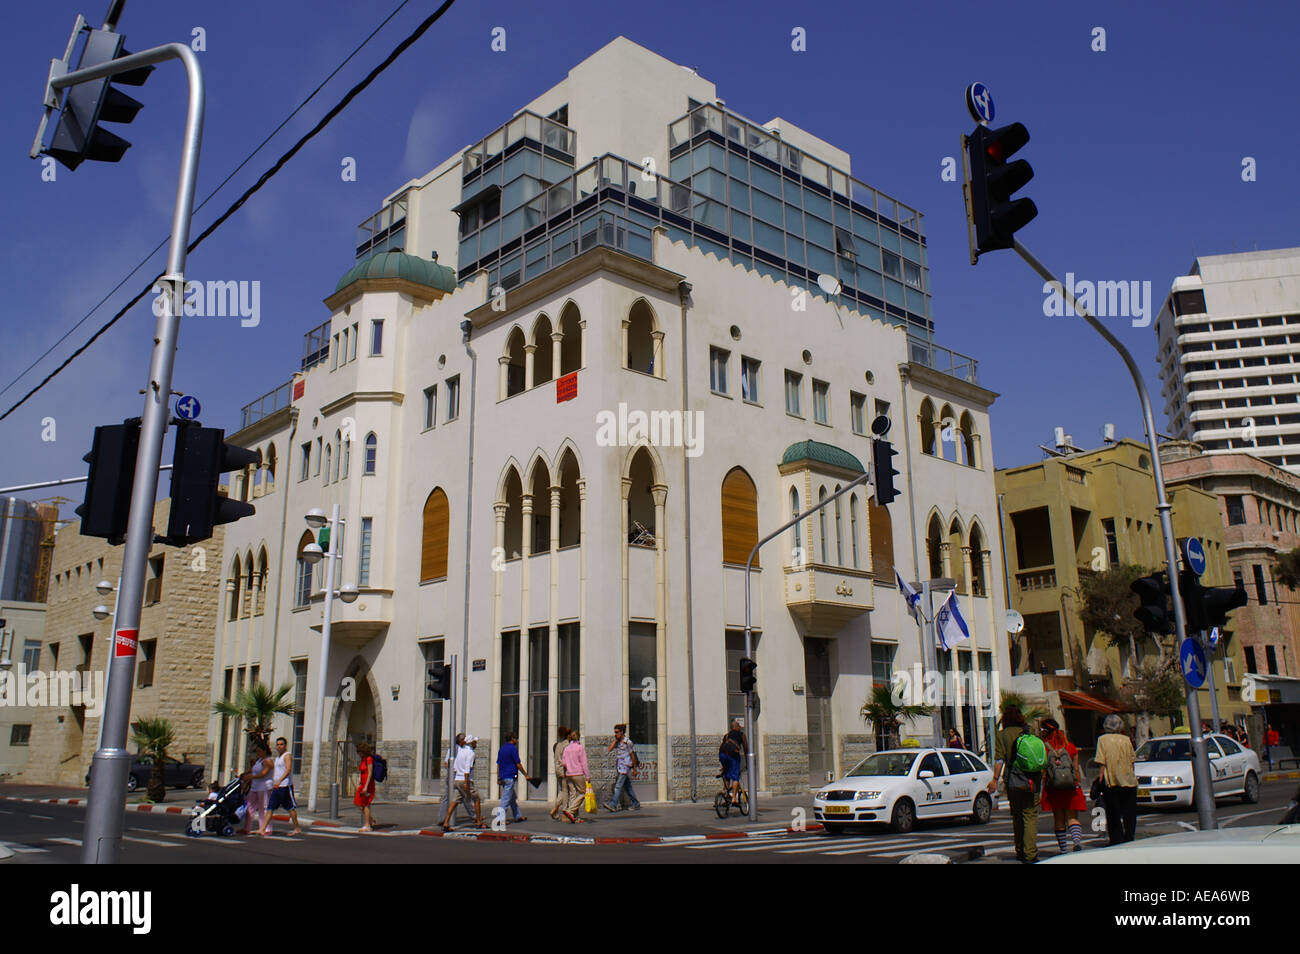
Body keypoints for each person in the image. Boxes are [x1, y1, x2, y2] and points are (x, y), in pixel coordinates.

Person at [986, 704, 1040, 863]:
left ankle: (1020, 850)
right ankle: (1030, 852)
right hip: (1031, 778)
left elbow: (999, 759)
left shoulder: (1002, 735)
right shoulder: (1028, 731)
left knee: (1017, 815)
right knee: (1029, 815)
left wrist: (995, 779)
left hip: (1012, 780)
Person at [1038, 718, 1086, 854]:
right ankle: (1076, 843)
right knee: (1072, 817)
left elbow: (1043, 770)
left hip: (1053, 787)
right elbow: (1076, 769)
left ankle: (1063, 849)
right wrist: (1078, 783)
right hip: (1071, 786)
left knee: (1058, 819)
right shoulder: (1070, 747)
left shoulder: (1044, 748)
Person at [1094, 714, 1138, 845]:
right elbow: (1132, 761)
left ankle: (1116, 839)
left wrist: (1100, 779)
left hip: (1111, 780)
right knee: (1129, 812)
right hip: (1128, 779)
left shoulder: (1102, 740)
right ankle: (1129, 837)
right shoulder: (1126, 739)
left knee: (1113, 813)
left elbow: (1102, 762)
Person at [442, 733, 484, 830]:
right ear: (471, 743)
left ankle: (446, 822)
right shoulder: (470, 753)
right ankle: (478, 821)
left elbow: (455, 767)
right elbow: (467, 768)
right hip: (465, 780)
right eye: (475, 742)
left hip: (457, 779)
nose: (476, 744)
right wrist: (466, 782)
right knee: (476, 799)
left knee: (455, 801)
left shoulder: (460, 751)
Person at [262, 736, 302, 836]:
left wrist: (280, 780)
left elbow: (288, 770)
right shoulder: (277, 758)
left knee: (290, 808)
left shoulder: (287, 756)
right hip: (276, 787)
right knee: (270, 807)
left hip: (285, 786)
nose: (279, 746)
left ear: (285, 746)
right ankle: (262, 829)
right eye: (278, 745)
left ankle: (296, 827)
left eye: (281, 744)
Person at [605, 723, 640, 812]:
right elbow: (609, 749)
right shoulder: (618, 742)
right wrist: (615, 740)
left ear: (622, 732)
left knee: (618, 786)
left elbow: (633, 756)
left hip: (625, 767)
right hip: (619, 766)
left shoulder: (628, 742)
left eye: (617, 732)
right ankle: (636, 803)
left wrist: (635, 769)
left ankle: (613, 804)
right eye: (615, 732)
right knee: (628, 787)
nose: (615, 734)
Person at [241, 743, 275, 836]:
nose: (258, 753)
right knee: (249, 806)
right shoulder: (258, 760)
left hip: (264, 787)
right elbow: (253, 770)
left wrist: (251, 777)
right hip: (255, 787)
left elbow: (263, 773)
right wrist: (246, 774)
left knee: (263, 808)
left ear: (264, 751)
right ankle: (247, 827)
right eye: (257, 751)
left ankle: (266, 828)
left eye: (259, 751)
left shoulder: (268, 761)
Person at [496, 732, 529, 824]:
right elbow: (518, 763)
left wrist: (498, 777)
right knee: (506, 798)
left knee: (512, 797)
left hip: (503, 776)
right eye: (515, 738)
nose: (516, 740)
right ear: (512, 739)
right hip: (510, 776)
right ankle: (499, 818)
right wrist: (525, 774)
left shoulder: (502, 749)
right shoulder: (512, 749)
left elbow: (498, 764)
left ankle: (517, 816)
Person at [559, 729, 590, 823]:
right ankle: (570, 810)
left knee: (573, 795)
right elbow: (584, 762)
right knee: (582, 793)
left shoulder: (567, 748)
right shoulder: (580, 748)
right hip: (578, 773)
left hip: (568, 774)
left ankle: (575, 817)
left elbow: (563, 762)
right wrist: (587, 776)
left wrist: (569, 766)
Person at [353, 740, 379, 832]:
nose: (358, 754)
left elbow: (370, 773)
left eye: (359, 752)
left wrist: (366, 786)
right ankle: (371, 820)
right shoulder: (363, 759)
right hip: (363, 784)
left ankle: (368, 825)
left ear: (363, 751)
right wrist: (360, 783)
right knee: (358, 802)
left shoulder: (369, 759)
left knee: (366, 804)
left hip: (368, 785)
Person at [550, 726, 570, 820]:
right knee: (566, 792)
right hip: (564, 770)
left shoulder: (558, 745)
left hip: (557, 769)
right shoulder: (567, 745)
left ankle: (556, 808)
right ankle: (564, 811)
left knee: (562, 790)